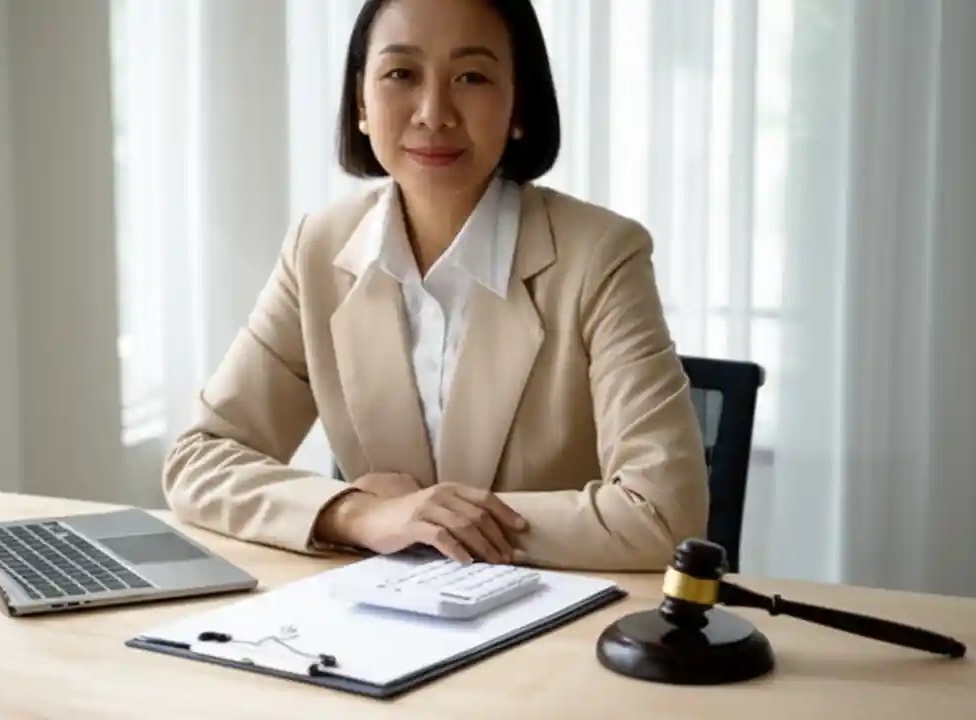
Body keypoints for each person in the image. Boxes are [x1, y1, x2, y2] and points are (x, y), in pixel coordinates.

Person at [163, 0, 708, 571]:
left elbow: (665, 514)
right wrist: (360, 515)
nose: (433, 111)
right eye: (401, 74)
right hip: (378, 621)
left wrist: (432, 522)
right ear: (360, 103)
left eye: (472, 77)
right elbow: (199, 462)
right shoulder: (318, 249)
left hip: (552, 627)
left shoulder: (602, 255)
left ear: (518, 103)